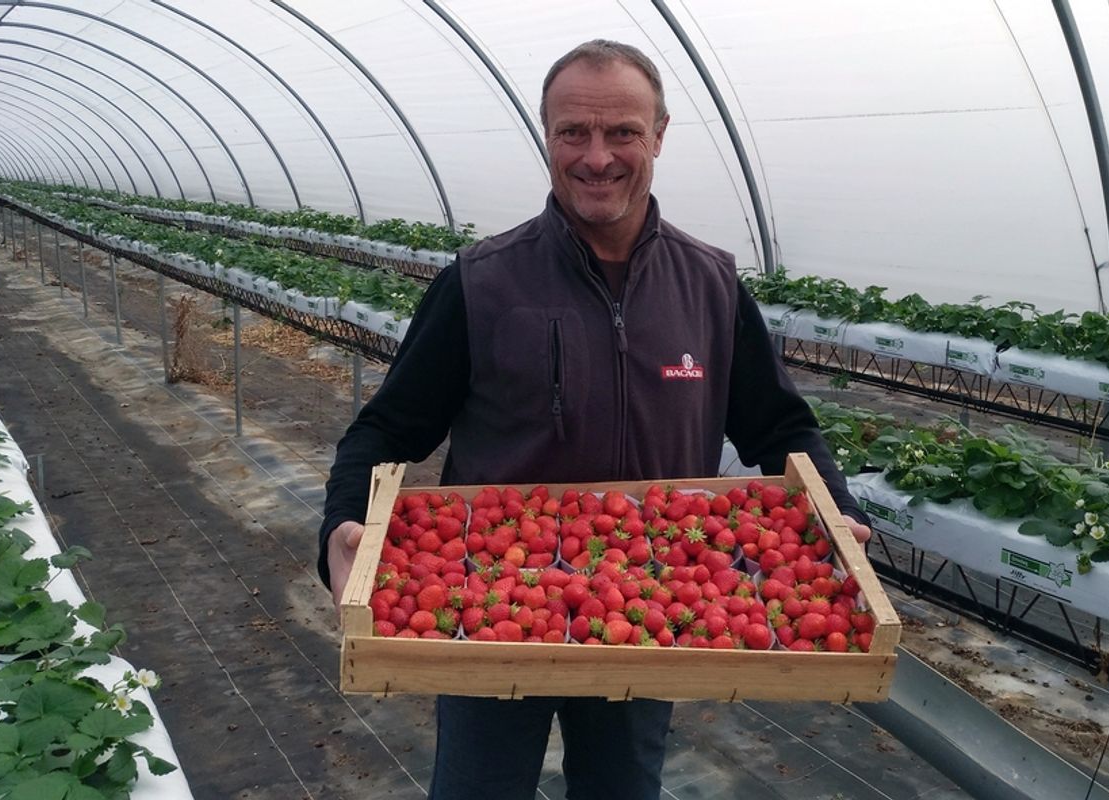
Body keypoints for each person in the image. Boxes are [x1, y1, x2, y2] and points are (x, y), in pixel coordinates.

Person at [319, 39, 872, 800]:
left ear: (660, 136)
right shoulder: (482, 282)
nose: (597, 157)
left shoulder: (709, 285)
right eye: (573, 132)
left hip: (647, 609)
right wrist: (342, 526)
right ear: (546, 138)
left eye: (622, 133)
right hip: (491, 611)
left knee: (622, 789)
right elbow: (384, 431)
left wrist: (838, 512)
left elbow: (781, 429)